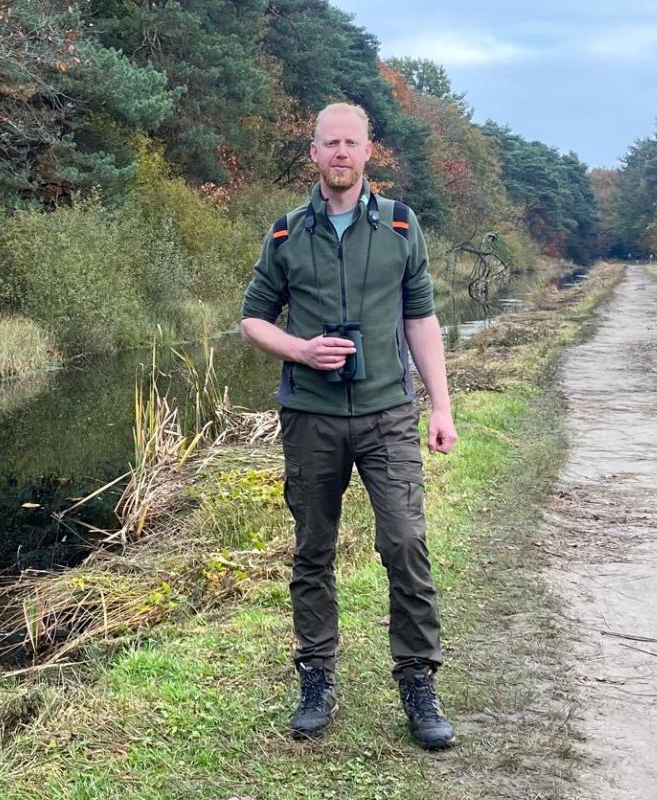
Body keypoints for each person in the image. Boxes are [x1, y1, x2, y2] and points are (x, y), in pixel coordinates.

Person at [240, 102, 457, 750]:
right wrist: (301, 350)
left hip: (389, 413)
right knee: (313, 551)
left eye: (350, 143)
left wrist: (441, 406)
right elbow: (252, 320)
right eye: (329, 143)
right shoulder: (285, 234)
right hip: (311, 416)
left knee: (405, 543)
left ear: (368, 152)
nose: (340, 153)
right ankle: (316, 679)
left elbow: (421, 318)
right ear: (314, 153)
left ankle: (419, 685)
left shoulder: (399, 225)